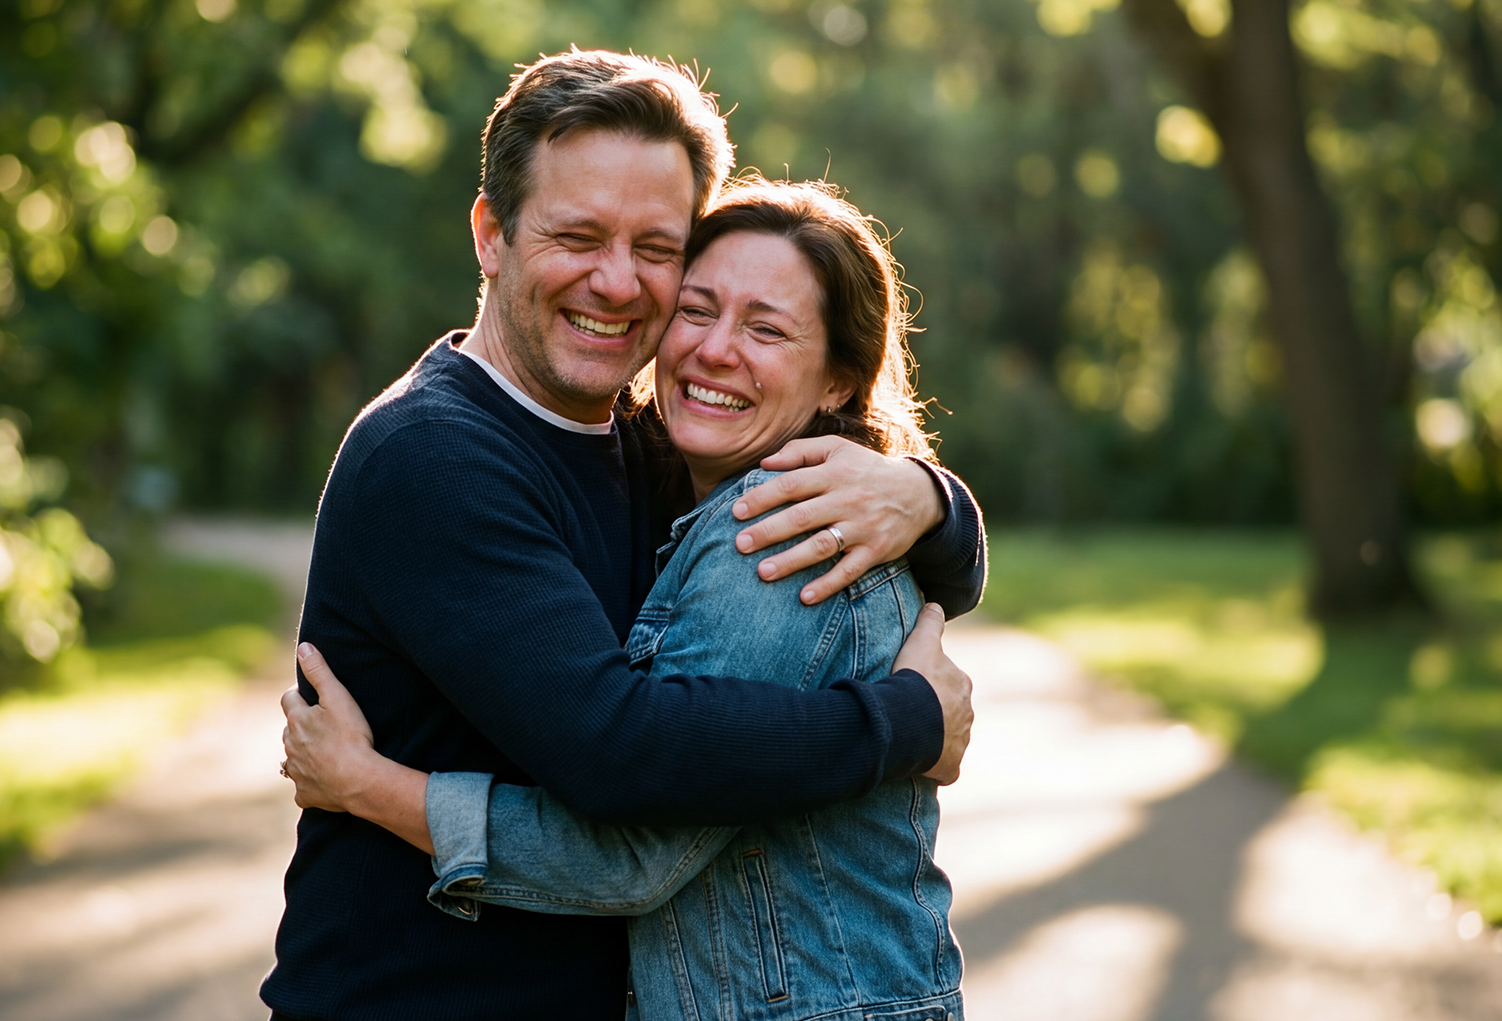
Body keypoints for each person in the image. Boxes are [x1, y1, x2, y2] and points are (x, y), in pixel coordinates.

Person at [260, 50, 985, 1021]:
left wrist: (930, 500)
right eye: (577, 236)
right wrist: (906, 725)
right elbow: (621, 752)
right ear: (491, 233)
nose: (616, 281)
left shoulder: (650, 448)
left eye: (656, 248)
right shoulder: (433, 457)